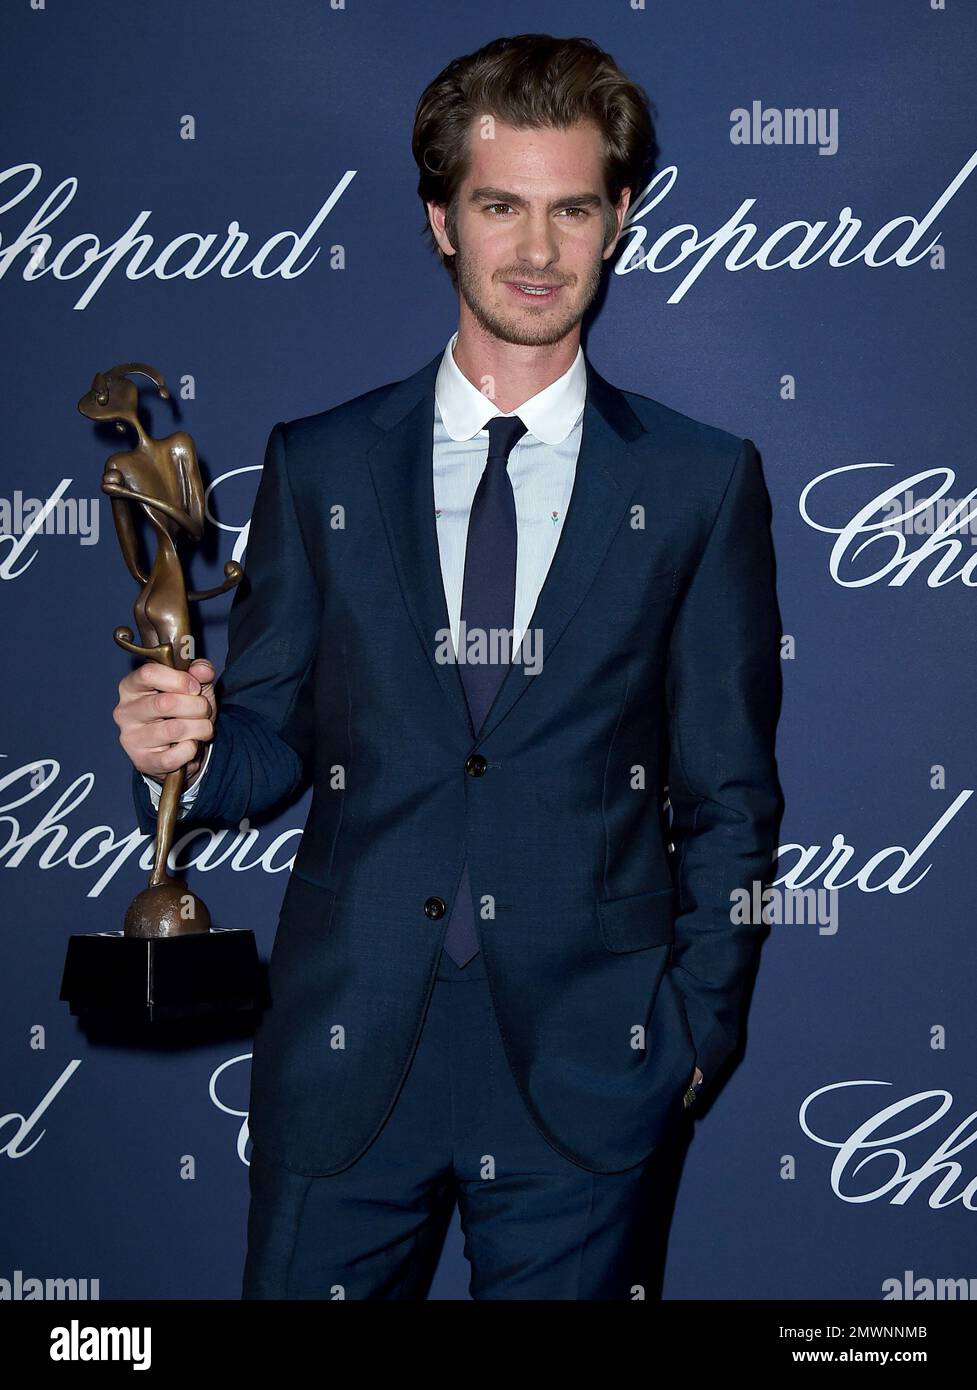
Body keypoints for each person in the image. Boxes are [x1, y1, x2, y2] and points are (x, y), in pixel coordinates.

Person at [115, 32, 784, 1300]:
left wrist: (694, 1037)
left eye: (569, 208)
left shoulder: (697, 483)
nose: (535, 251)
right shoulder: (319, 464)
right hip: (345, 1049)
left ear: (618, 218)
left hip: (591, 1071)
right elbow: (264, 748)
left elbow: (731, 800)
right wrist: (180, 747)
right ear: (439, 221)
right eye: (499, 207)